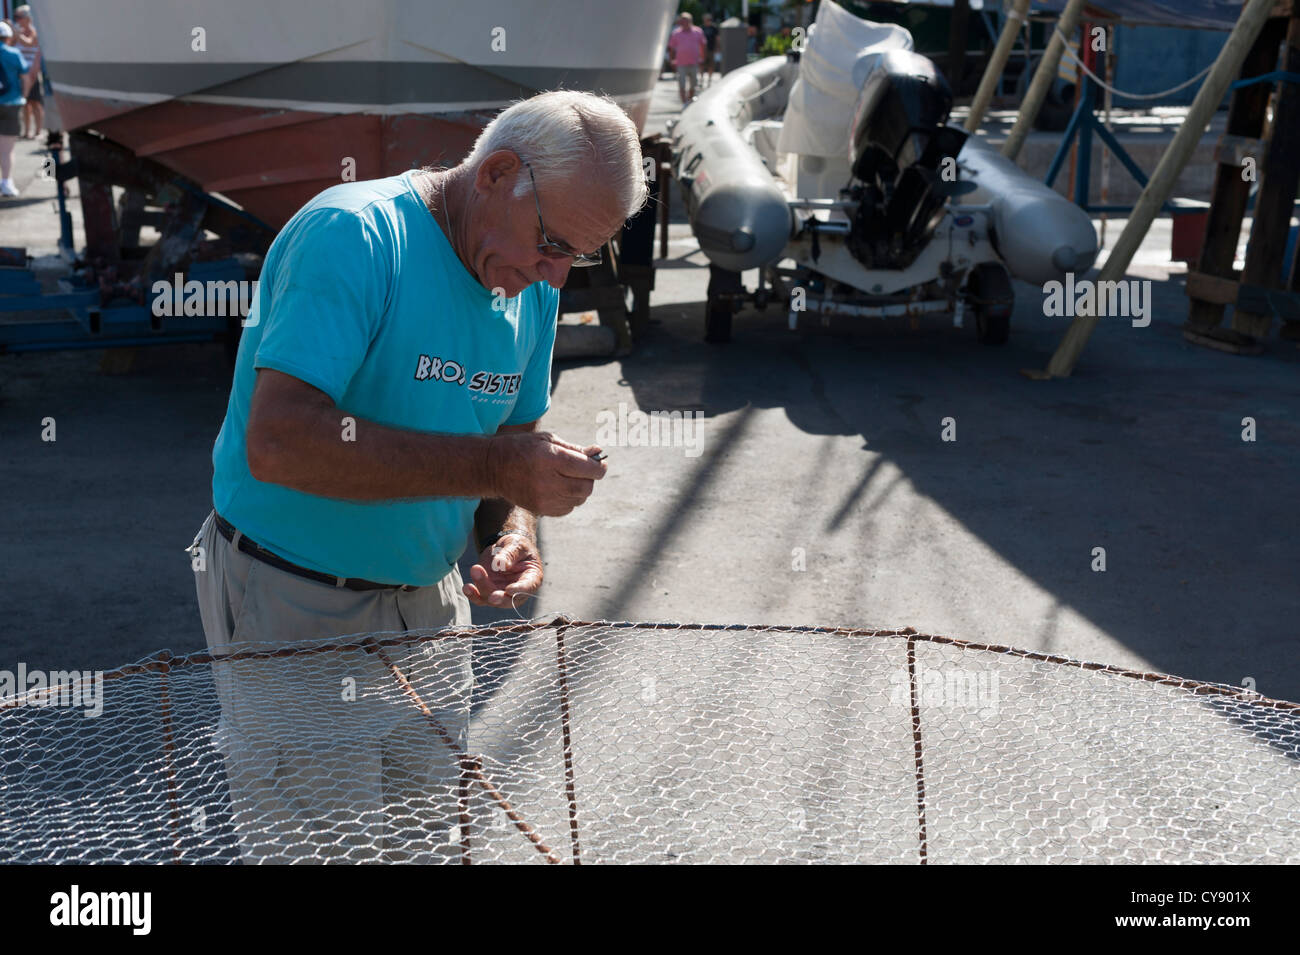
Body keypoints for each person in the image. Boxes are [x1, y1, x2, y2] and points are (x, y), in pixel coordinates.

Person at [189, 89, 646, 863]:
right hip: (297, 602)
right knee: (319, 853)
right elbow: (279, 441)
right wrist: (500, 466)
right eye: (553, 242)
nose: (557, 277)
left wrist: (510, 528)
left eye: (579, 254)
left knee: (423, 847)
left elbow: (508, 436)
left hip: (429, 614)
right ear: (498, 173)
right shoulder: (356, 237)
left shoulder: (524, 283)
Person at [0, 20, 29, 197]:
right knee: (7, 148)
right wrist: (24, 96)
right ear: (8, 38)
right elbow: (25, 77)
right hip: (12, 103)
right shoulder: (14, 53)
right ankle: (7, 182)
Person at [667, 12, 708, 105]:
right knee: (682, 84)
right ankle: (684, 102)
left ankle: (689, 101)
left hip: (694, 62)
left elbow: (703, 45)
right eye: (683, 21)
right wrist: (671, 60)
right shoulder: (676, 33)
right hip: (681, 63)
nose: (684, 23)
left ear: (690, 21)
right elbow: (671, 48)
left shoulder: (698, 31)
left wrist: (703, 58)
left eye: (686, 21)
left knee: (693, 84)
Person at [13, 6, 40, 140]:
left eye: (19, 17)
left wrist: (16, 33)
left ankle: (38, 131)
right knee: (25, 104)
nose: (16, 20)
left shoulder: (35, 32)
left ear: (27, 18)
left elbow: (29, 43)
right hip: (22, 75)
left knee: (35, 103)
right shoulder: (18, 33)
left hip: (32, 73)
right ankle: (26, 131)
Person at [701, 13, 719, 87]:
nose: (707, 21)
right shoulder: (702, 28)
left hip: (711, 49)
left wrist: (717, 48)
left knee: (711, 65)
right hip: (702, 50)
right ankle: (701, 79)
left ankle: (709, 80)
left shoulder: (714, 28)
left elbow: (717, 39)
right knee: (702, 65)